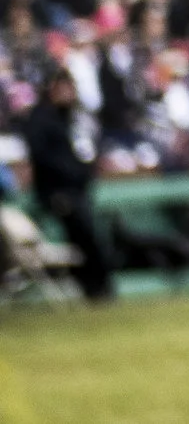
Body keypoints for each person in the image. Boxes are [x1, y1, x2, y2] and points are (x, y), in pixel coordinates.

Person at [24, 67, 111, 300]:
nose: (67, 92)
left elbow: (86, 148)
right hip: (56, 192)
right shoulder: (40, 118)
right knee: (82, 235)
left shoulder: (74, 117)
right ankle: (93, 286)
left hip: (78, 189)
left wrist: (84, 171)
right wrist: (71, 172)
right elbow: (42, 156)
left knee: (88, 236)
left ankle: (98, 286)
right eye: (61, 87)